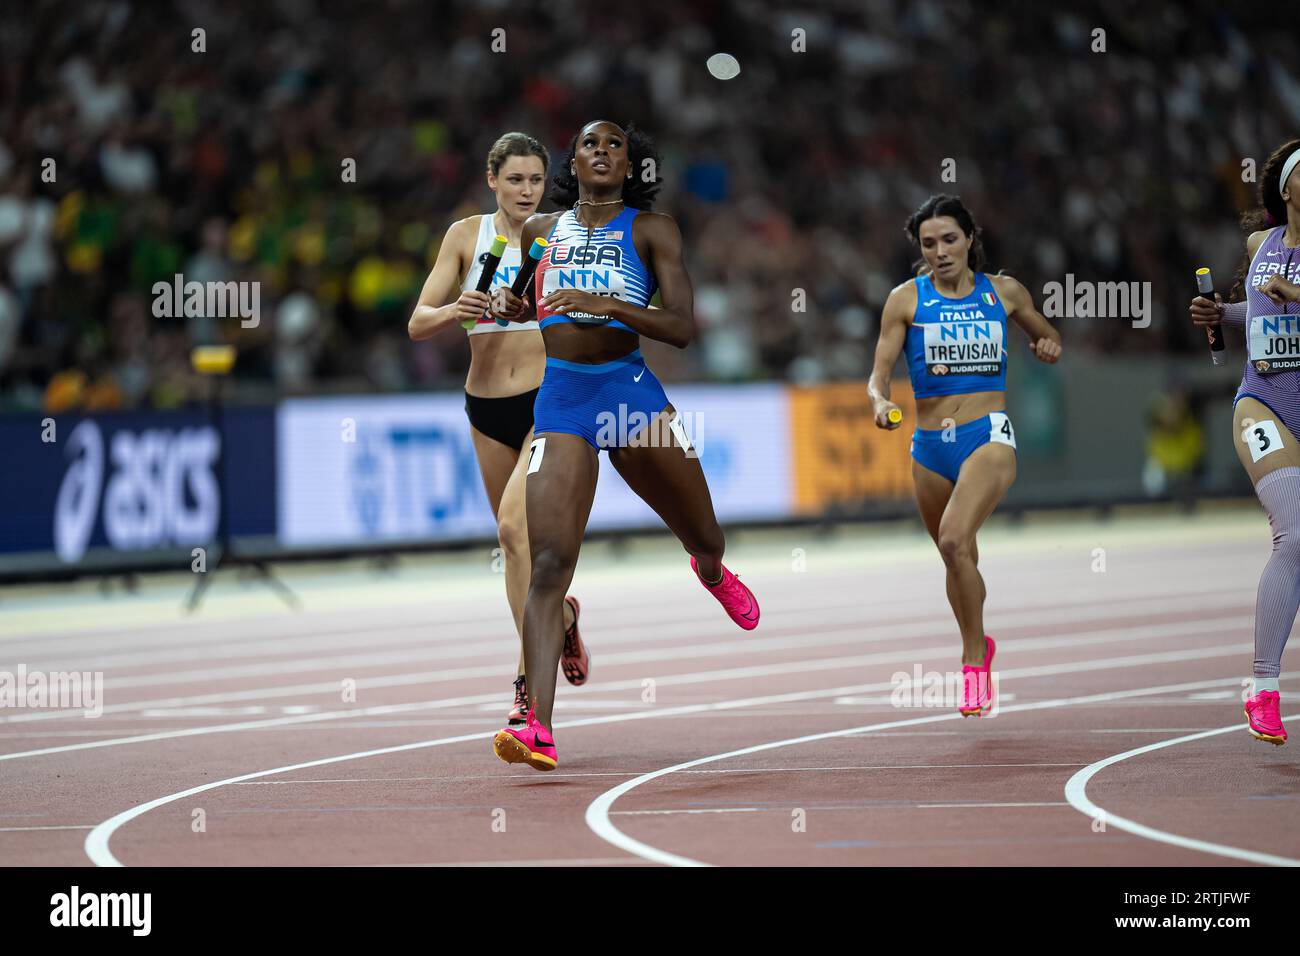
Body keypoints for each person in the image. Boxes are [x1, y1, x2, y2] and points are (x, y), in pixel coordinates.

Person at [487, 120, 759, 771]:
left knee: (705, 533)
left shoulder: (652, 229)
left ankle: (711, 570)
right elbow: (521, 301)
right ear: (572, 163)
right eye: (590, 144)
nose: (603, 152)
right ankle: (538, 730)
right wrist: (506, 301)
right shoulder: (539, 231)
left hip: (630, 395)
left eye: (616, 146)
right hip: (564, 402)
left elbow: (682, 327)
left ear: (632, 165)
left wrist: (608, 305)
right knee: (550, 562)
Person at [408, 132, 588, 727]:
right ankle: (559, 621)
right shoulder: (466, 237)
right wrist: (456, 308)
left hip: (546, 404)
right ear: (492, 180)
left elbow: (588, 310)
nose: (526, 191)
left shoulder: (563, 236)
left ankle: (525, 685)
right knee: (515, 550)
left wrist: (541, 308)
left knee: (517, 530)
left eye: (536, 180)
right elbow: (418, 323)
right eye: (515, 180)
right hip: (484, 408)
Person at [868, 194, 1062, 716]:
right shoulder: (905, 300)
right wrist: (879, 399)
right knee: (958, 557)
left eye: (949, 239)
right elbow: (879, 373)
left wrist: (1045, 347)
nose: (940, 251)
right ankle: (980, 638)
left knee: (954, 538)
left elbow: (1050, 339)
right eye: (928, 243)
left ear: (970, 238)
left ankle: (973, 663)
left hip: (987, 435)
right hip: (930, 447)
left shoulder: (1004, 292)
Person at [1188, 138, 1300, 745]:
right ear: (1285, 188)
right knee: (1295, 535)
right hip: (1264, 402)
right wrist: (1222, 315)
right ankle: (1262, 688)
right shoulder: (1262, 246)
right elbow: (1258, 313)